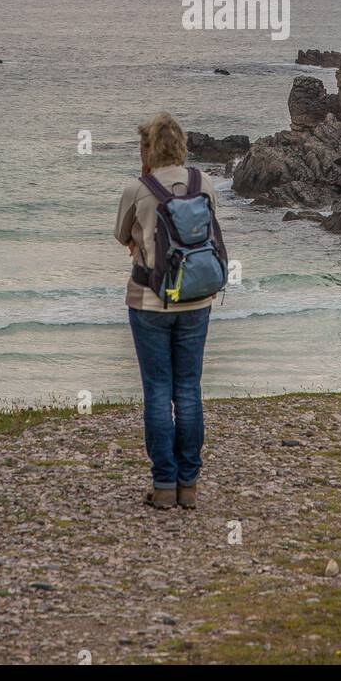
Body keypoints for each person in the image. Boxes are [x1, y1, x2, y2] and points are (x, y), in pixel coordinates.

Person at [114, 112, 220, 510]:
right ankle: (188, 485)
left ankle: (163, 486)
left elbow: (121, 235)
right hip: (198, 299)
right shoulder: (203, 182)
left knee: (158, 392)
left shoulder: (138, 188)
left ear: (148, 148)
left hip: (150, 302)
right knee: (188, 389)